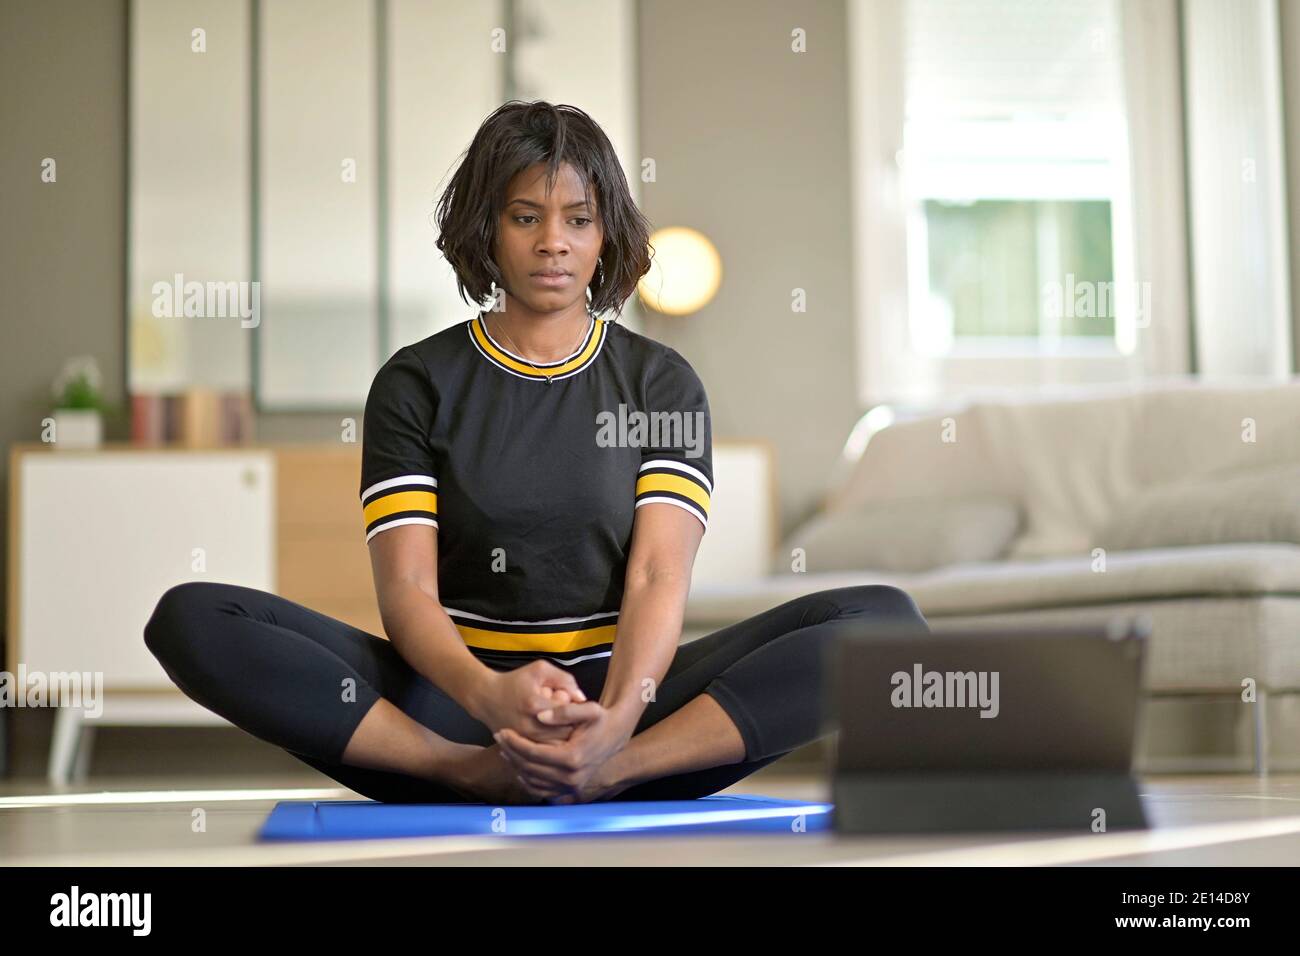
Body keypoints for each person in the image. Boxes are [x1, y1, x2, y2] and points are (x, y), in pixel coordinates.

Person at [143, 101, 931, 805]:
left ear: (605, 236)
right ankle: (464, 776)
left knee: (886, 619)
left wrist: (616, 727)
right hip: (453, 707)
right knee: (191, 618)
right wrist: (491, 701)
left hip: (635, 706)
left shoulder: (660, 383)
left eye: (578, 219)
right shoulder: (418, 382)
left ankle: (609, 778)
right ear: (486, 229)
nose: (552, 242)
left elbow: (660, 573)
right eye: (525, 217)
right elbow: (410, 590)